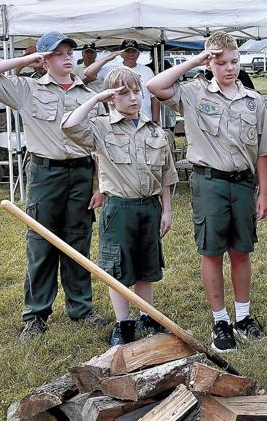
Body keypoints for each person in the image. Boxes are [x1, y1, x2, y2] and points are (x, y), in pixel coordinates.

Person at [0, 31, 109, 341]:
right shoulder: (27, 89)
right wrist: (28, 59)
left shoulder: (88, 94)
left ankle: (81, 309)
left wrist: (101, 185)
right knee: (42, 245)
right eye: (58, 53)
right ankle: (36, 315)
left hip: (82, 174)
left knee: (77, 243)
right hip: (46, 174)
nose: (67, 56)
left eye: (69, 51)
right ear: (44, 60)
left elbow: (98, 145)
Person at [148, 32, 267, 353]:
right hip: (209, 182)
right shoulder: (193, 93)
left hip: (243, 183)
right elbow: (155, 86)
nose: (229, 68)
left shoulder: (254, 100)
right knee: (211, 251)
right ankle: (220, 320)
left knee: (241, 250)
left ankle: (243, 317)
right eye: (221, 63)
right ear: (210, 63)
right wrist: (195, 61)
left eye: (234, 61)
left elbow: (263, 149)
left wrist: (263, 192)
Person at [63, 67, 177, 346]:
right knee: (118, 267)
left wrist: (167, 209)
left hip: (149, 206)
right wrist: (96, 98)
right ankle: (123, 322)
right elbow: (68, 126)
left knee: (146, 266)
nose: (133, 98)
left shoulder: (155, 131)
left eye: (136, 91)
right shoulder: (101, 128)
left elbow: (165, 174)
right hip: (119, 208)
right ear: (111, 99)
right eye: (123, 93)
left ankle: (147, 315)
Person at [84, 40, 159, 122]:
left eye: (133, 51)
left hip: (145, 119)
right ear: (121, 54)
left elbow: (154, 97)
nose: (131, 54)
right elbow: (88, 73)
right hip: (120, 121)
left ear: (138, 54)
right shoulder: (112, 69)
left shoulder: (147, 70)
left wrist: (155, 120)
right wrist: (108, 58)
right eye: (127, 51)